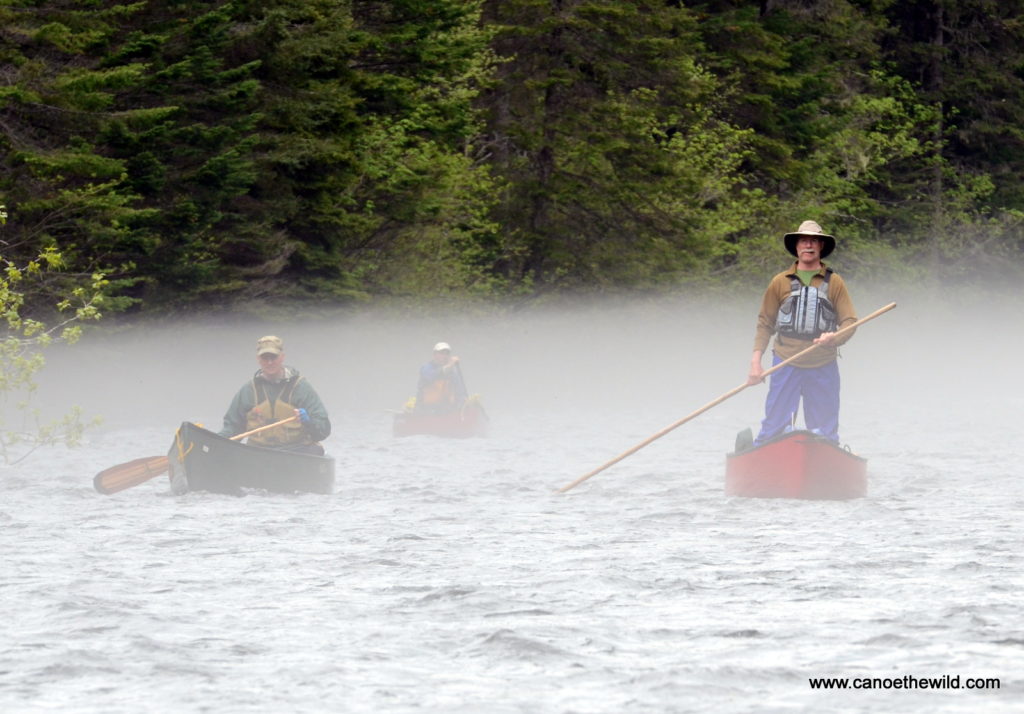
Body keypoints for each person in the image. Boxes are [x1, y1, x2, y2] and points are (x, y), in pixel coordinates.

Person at [746, 220, 857, 446]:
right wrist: (756, 362)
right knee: (774, 426)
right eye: (804, 241)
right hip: (786, 360)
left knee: (824, 432)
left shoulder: (834, 282)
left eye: (814, 240)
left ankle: (825, 457)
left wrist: (834, 337)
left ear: (821, 247)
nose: (809, 245)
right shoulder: (779, 282)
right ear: (796, 247)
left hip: (822, 362)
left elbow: (850, 321)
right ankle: (765, 451)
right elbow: (765, 323)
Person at [219, 335, 331, 455]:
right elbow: (231, 427)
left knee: (316, 450)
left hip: (297, 451)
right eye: (265, 358)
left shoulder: (301, 388)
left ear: (282, 357)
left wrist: (308, 421)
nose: (270, 362)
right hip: (257, 453)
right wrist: (212, 440)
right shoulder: (248, 391)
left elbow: (324, 430)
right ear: (258, 359)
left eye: (273, 357)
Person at [415, 342, 468, 414]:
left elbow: (460, 392)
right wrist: (450, 365)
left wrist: (463, 404)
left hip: (446, 410)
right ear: (434, 355)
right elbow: (434, 375)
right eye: (442, 353)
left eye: (447, 354)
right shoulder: (426, 368)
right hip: (426, 410)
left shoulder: (452, 374)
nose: (445, 356)